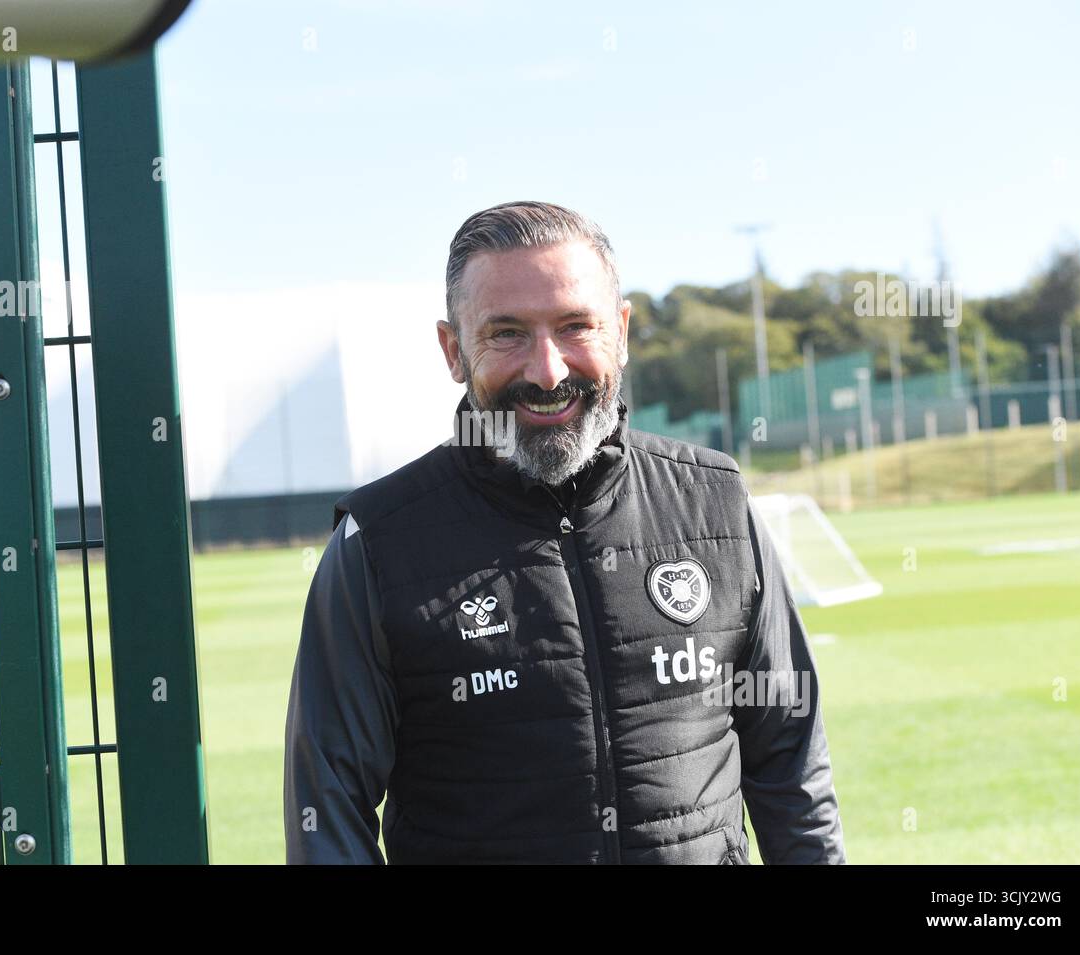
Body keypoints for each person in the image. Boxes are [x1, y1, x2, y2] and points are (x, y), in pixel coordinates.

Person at [283, 200, 845, 864]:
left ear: (623, 331)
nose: (547, 372)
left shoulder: (718, 505)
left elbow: (791, 764)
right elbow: (329, 812)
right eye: (507, 333)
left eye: (576, 326)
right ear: (452, 350)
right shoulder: (375, 545)